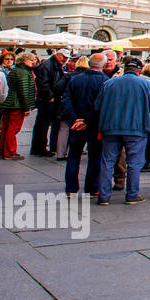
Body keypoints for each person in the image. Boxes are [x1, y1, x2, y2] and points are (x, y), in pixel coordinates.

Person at [89, 57, 150, 206]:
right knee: (134, 163)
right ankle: (132, 195)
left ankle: (103, 196)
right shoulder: (146, 85)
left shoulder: (109, 83)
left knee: (107, 161)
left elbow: (97, 106)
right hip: (136, 128)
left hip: (110, 127)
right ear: (139, 71)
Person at [59, 52, 108, 196]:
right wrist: (87, 121)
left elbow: (66, 100)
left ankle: (71, 188)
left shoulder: (76, 79)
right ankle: (92, 187)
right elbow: (100, 106)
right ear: (103, 65)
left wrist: (75, 119)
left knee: (74, 155)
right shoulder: (105, 81)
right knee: (95, 156)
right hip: (94, 124)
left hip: (76, 123)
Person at [30, 47, 71, 157]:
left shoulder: (54, 65)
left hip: (51, 98)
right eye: (63, 57)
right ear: (58, 55)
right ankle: (39, 148)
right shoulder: (48, 65)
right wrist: (50, 96)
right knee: (43, 124)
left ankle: (39, 148)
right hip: (47, 100)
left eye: (67, 58)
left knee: (44, 124)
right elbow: (43, 83)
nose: (65, 59)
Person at [0, 52, 37, 160]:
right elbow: (23, 91)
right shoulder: (23, 72)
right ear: (25, 61)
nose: (33, 62)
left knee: (6, 128)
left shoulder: (15, 70)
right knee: (13, 128)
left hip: (9, 103)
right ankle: (10, 151)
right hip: (16, 104)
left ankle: (2, 150)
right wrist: (26, 107)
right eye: (31, 60)